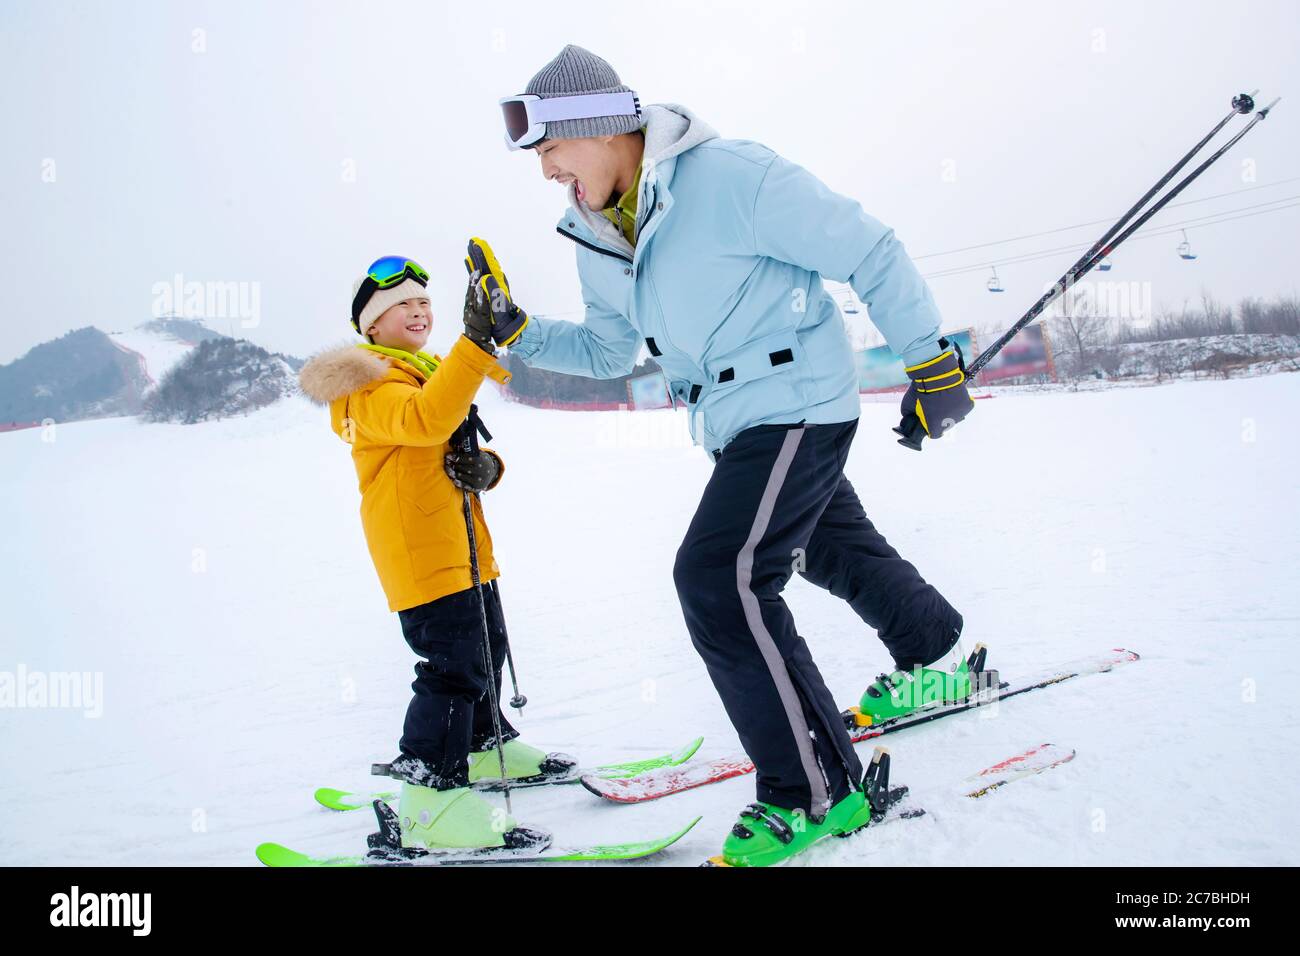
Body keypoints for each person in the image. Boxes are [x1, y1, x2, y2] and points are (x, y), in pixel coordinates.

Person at [484, 45, 978, 865]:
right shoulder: (594, 231)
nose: (546, 173)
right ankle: (932, 649)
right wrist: (515, 332)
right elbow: (611, 353)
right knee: (825, 545)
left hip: (799, 404)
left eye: (550, 150)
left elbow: (868, 247)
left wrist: (927, 360)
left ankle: (813, 790)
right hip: (731, 425)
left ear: (596, 127)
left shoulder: (731, 177)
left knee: (721, 577)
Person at [296, 255, 563, 854]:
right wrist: (474, 344)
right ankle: (430, 795)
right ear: (372, 327)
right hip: (421, 553)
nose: (418, 312)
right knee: (452, 665)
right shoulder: (367, 385)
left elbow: (450, 444)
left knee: (487, 645)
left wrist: (487, 470)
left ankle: (485, 742)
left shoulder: (423, 371)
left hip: (462, 545)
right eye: (401, 307)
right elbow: (423, 423)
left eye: (423, 303)